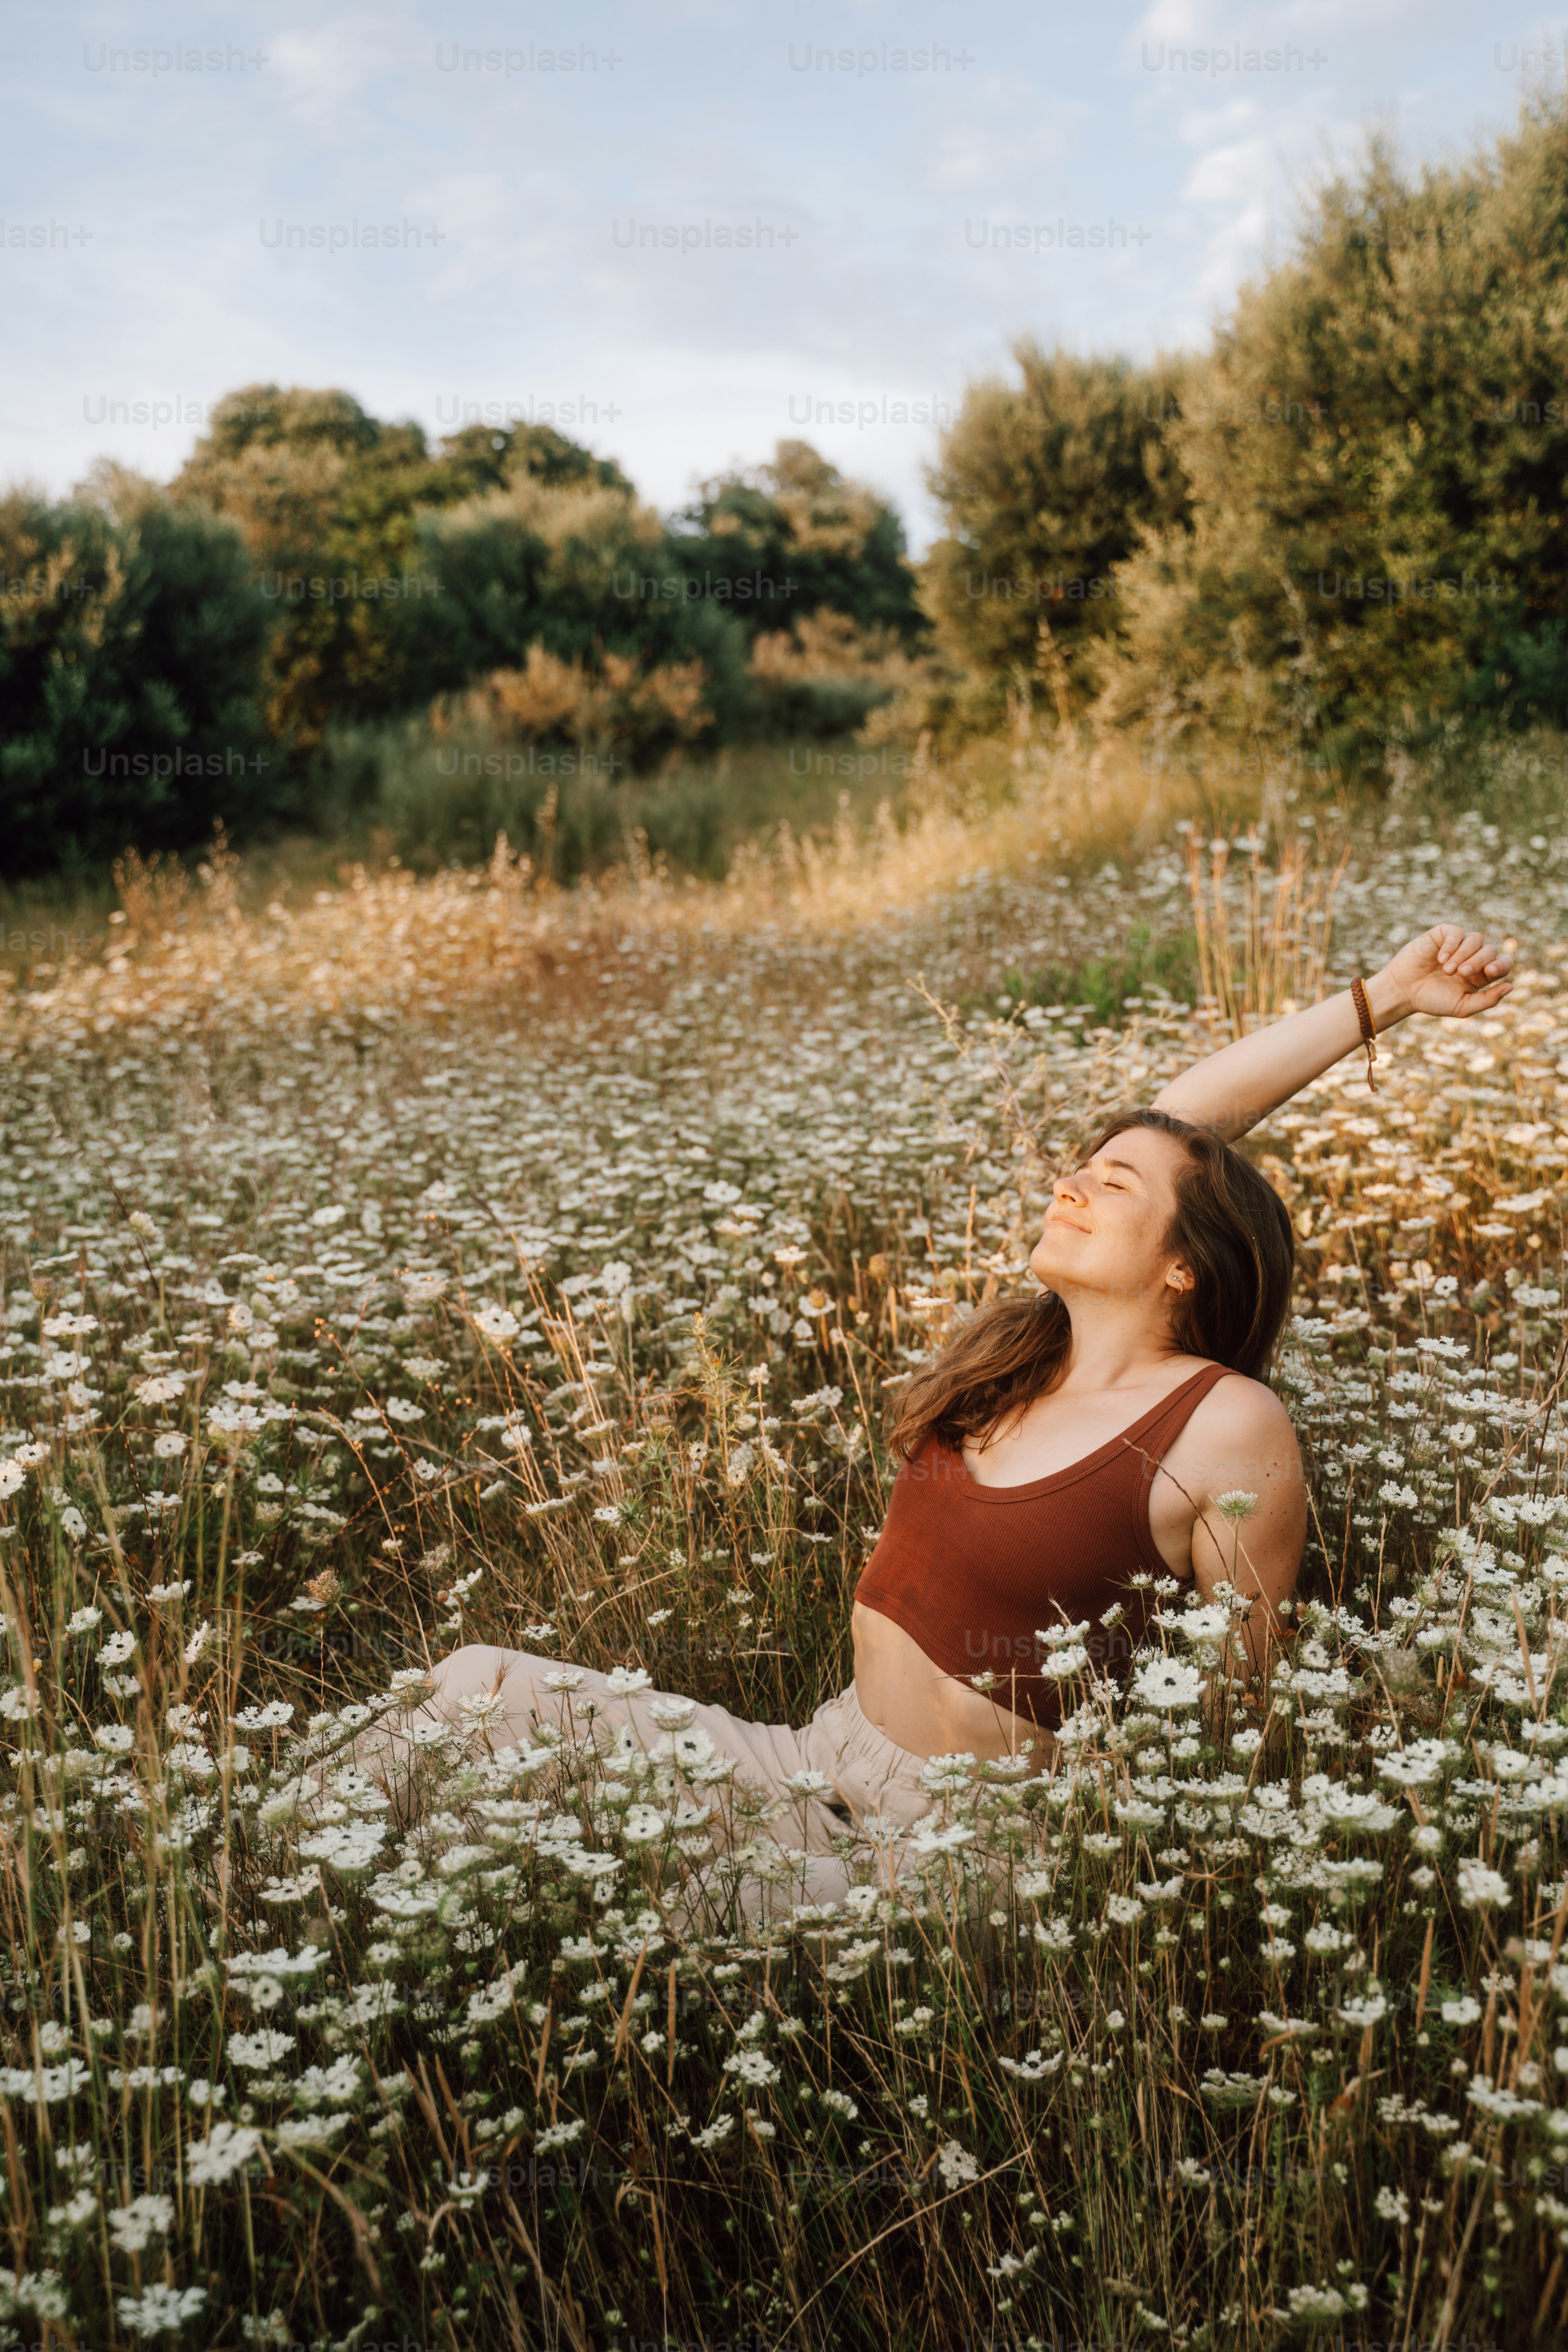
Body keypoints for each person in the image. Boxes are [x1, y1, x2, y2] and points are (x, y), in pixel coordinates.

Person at [363, 923, 1512, 1918]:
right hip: (814, 1755)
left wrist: (1117, 1873)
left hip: (959, 1852)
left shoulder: (1224, 1423)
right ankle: (218, 1894)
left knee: (620, 1908)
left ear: (1184, 1269)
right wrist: (1384, 996)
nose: (1073, 1184)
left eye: (1113, 1189)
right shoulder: (1027, 1355)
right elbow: (1168, 1128)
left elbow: (1235, 1718)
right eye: (1083, 1169)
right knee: (473, 1687)